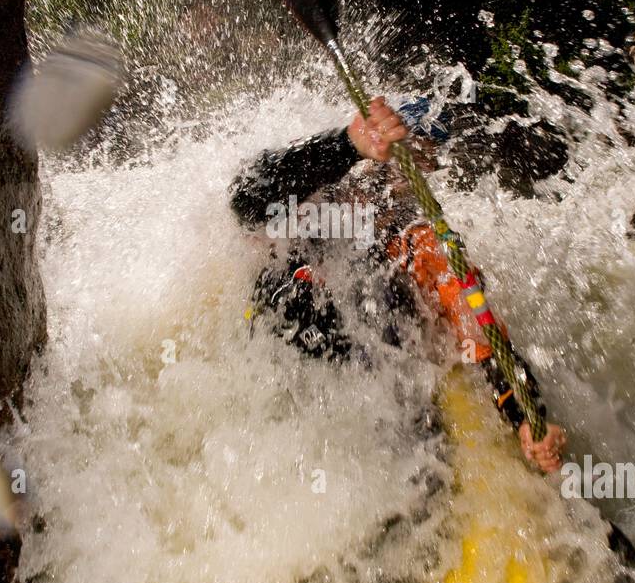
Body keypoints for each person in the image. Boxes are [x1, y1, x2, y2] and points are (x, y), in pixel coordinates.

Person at [229, 95, 568, 472]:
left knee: (395, 301)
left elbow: (481, 334)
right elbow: (246, 197)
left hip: (365, 393)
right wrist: (347, 145)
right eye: (397, 161)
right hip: (280, 365)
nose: (402, 180)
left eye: (418, 165)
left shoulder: (421, 244)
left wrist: (526, 418)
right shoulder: (320, 200)